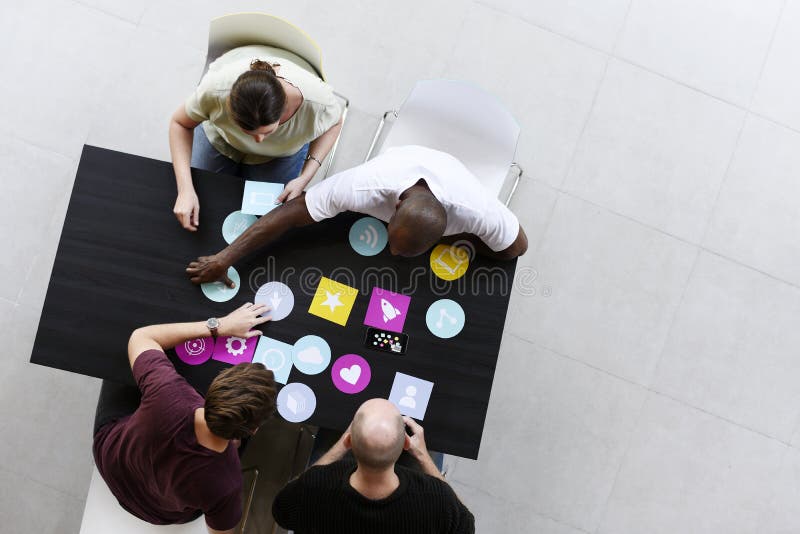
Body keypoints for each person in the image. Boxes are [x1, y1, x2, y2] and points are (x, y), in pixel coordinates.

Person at [185, 145, 528, 287]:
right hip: (404, 156)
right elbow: (290, 214)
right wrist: (225, 257)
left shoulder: (476, 211)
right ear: (392, 209)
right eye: (395, 242)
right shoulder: (363, 187)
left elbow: (517, 248)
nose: (391, 253)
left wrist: (462, 237)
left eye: (405, 252)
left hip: (456, 179)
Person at [92, 303, 275, 534]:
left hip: (112, 462)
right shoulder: (227, 483)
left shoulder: (170, 393)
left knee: (127, 359)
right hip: (160, 512)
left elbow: (141, 336)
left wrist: (219, 325)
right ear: (254, 429)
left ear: (214, 386)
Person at [170, 44, 344, 232]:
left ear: (284, 108)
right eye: (247, 131)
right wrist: (185, 190)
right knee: (199, 202)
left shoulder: (316, 101)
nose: (259, 140)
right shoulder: (215, 89)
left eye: (267, 132)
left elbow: (335, 123)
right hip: (220, 138)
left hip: (281, 152)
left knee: (265, 221)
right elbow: (179, 123)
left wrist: (305, 177)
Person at [272, 399, 475, 533]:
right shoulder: (436, 499)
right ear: (406, 443)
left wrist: (339, 447)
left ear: (350, 440)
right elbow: (467, 526)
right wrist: (423, 457)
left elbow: (282, 512)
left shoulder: (315, 485)